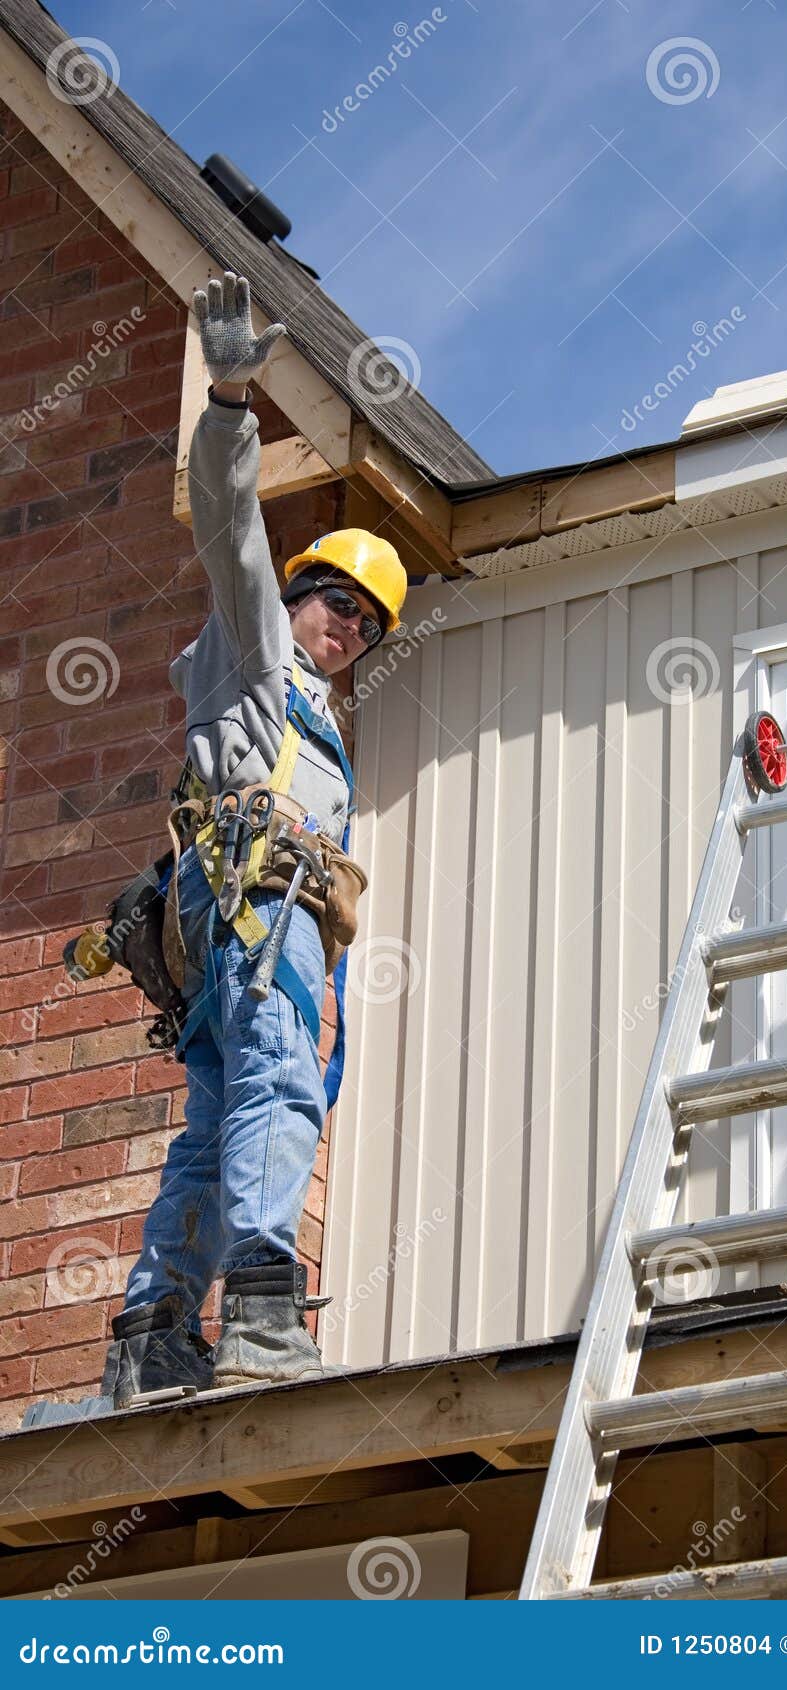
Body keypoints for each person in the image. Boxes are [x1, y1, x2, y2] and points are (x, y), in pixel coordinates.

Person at [98, 271, 407, 1405]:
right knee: (276, 1087)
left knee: (220, 1117)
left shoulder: (315, 717)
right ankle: (263, 1315)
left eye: (365, 626)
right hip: (248, 916)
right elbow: (228, 525)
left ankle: (155, 1330)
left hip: (250, 923)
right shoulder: (257, 643)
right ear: (300, 591)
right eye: (336, 603)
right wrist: (231, 400)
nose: (345, 631)